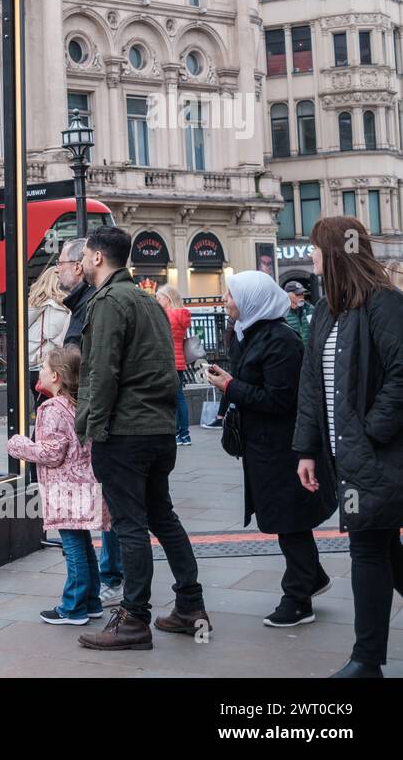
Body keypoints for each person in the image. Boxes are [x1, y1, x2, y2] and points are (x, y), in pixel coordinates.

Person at [73, 226, 208, 650]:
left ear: (96, 258)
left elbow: (102, 372)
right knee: (162, 517)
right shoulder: (147, 300)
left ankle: (134, 619)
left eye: (82, 255)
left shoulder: (110, 301)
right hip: (158, 429)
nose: (78, 263)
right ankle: (190, 605)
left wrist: (88, 427)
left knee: (131, 526)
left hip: (125, 432)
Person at [292, 216, 403, 678]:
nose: (309, 256)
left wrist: (372, 431)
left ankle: (366, 661)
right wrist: (307, 449)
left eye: (315, 247)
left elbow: (401, 375)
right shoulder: (326, 312)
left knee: (368, 550)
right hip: (346, 457)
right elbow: (311, 388)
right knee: (383, 547)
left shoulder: (384, 305)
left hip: (379, 454)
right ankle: (367, 659)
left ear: (337, 252)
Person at [205, 271, 336, 628]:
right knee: (285, 519)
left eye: (230, 295)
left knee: (288, 519)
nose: (226, 301)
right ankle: (313, 577)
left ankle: (298, 599)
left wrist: (230, 385)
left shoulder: (280, 340)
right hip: (263, 446)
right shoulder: (249, 334)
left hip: (283, 448)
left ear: (251, 300)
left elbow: (280, 400)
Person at [8, 345, 109, 624]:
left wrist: (19, 445)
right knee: (84, 544)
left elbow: (51, 453)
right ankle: (91, 601)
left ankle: (73, 607)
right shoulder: (80, 403)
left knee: (73, 548)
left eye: (43, 366)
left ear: (56, 376)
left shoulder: (51, 408)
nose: (39, 370)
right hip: (84, 483)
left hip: (65, 488)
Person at [58, 236, 122, 604]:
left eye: (63, 264)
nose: (59, 271)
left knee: (108, 499)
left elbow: (91, 366)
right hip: (90, 414)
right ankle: (102, 577)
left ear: (81, 265)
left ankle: (109, 576)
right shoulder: (83, 305)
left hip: (94, 418)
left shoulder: (95, 307)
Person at [155, 285, 193, 447]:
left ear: (168, 299)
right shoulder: (181, 315)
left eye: (159, 298)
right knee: (180, 398)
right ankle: (185, 435)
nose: (157, 301)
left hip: (168, 361)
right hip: (179, 362)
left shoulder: (167, 316)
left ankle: (179, 433)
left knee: (171, 399)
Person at [27, 266, 70, 400]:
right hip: (51, 369)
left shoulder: (33, 305)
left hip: (34, 367)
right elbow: (55, 335)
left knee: (40, 405)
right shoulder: (55, 307)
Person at [284, 281, 311, 346]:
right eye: (297, 294)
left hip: (309, 353)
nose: (301, 296)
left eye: (302, 293)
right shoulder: (281, 312)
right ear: (288, 295)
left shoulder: (310, 309)